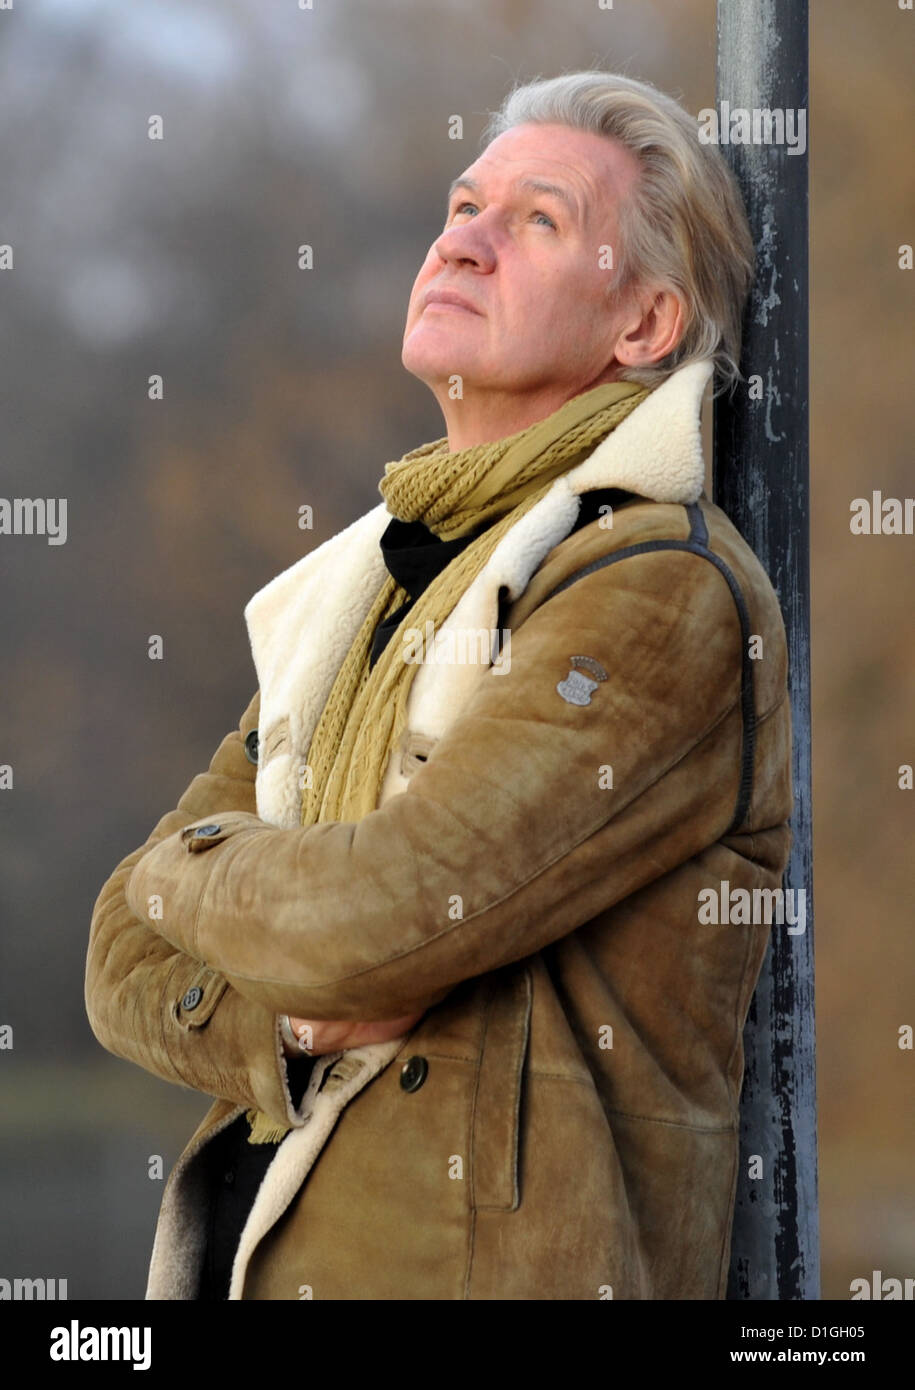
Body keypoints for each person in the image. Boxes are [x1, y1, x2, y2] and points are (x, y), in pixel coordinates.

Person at [85, 69, 793, 1301]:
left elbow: (384, 917)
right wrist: (293, 1024)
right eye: (464, 205)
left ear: (644, 328)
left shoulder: (661, 591)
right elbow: (114, 962)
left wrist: (175, 871)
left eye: (537, 222)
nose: (462, 239)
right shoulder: (356, 588)